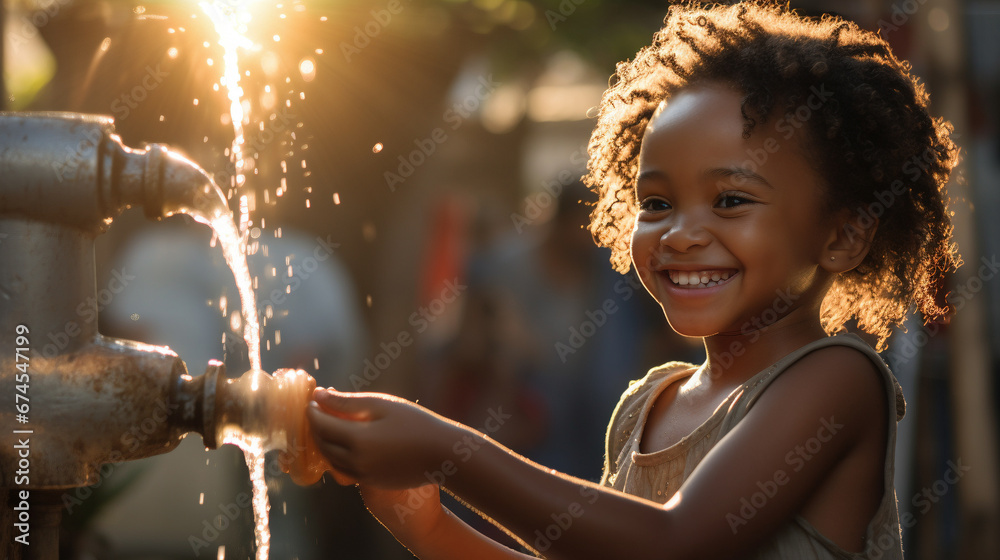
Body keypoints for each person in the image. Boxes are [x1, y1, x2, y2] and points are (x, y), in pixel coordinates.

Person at [305, 2, 960, 558]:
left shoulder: (835, 382)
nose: (679, 233)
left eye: (730, 200)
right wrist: (429, 525)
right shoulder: (647, 406)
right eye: (657, 203)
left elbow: (676, 544)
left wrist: (444, 447)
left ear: (841, 235)